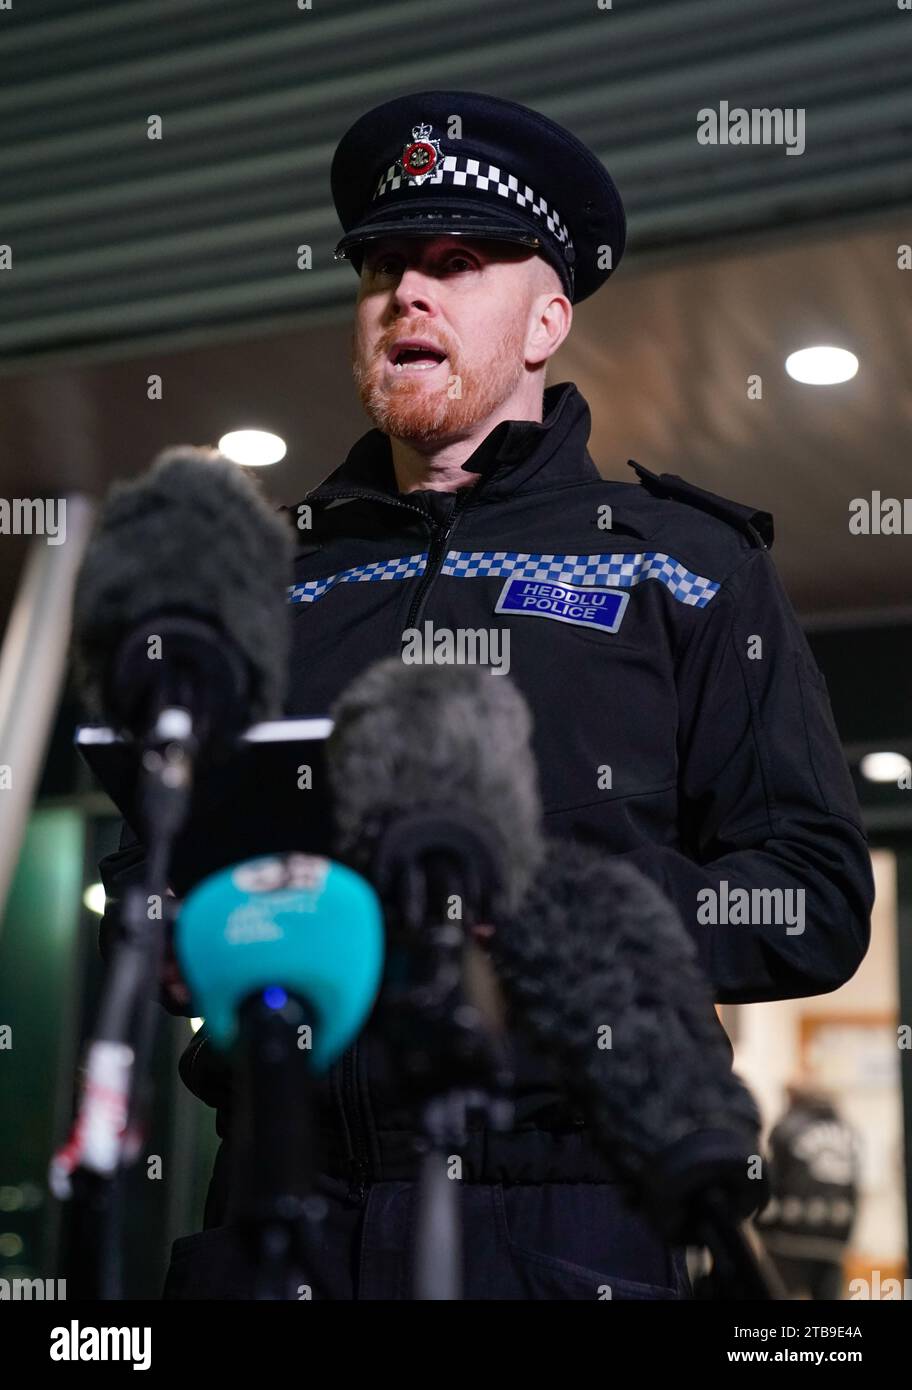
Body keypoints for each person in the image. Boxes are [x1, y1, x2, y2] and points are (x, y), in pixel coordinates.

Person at [99, 90, 875, 1299]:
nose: (407, 291)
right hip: (271, 1213)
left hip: (570, 1228)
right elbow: (156, 865)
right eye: (385, 266)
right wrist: (165, 929)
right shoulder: (260, 578)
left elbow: (815, 898)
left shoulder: (685, 563)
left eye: (456, 262)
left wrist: (571, 910)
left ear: (546, 319)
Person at [755, 1079, 860, 1299]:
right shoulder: (849, 1131)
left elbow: (772, 1182)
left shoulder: (786, 1127)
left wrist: (761, 1226)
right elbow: (854, 1189)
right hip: (835, 1239)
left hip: (790, 1239)